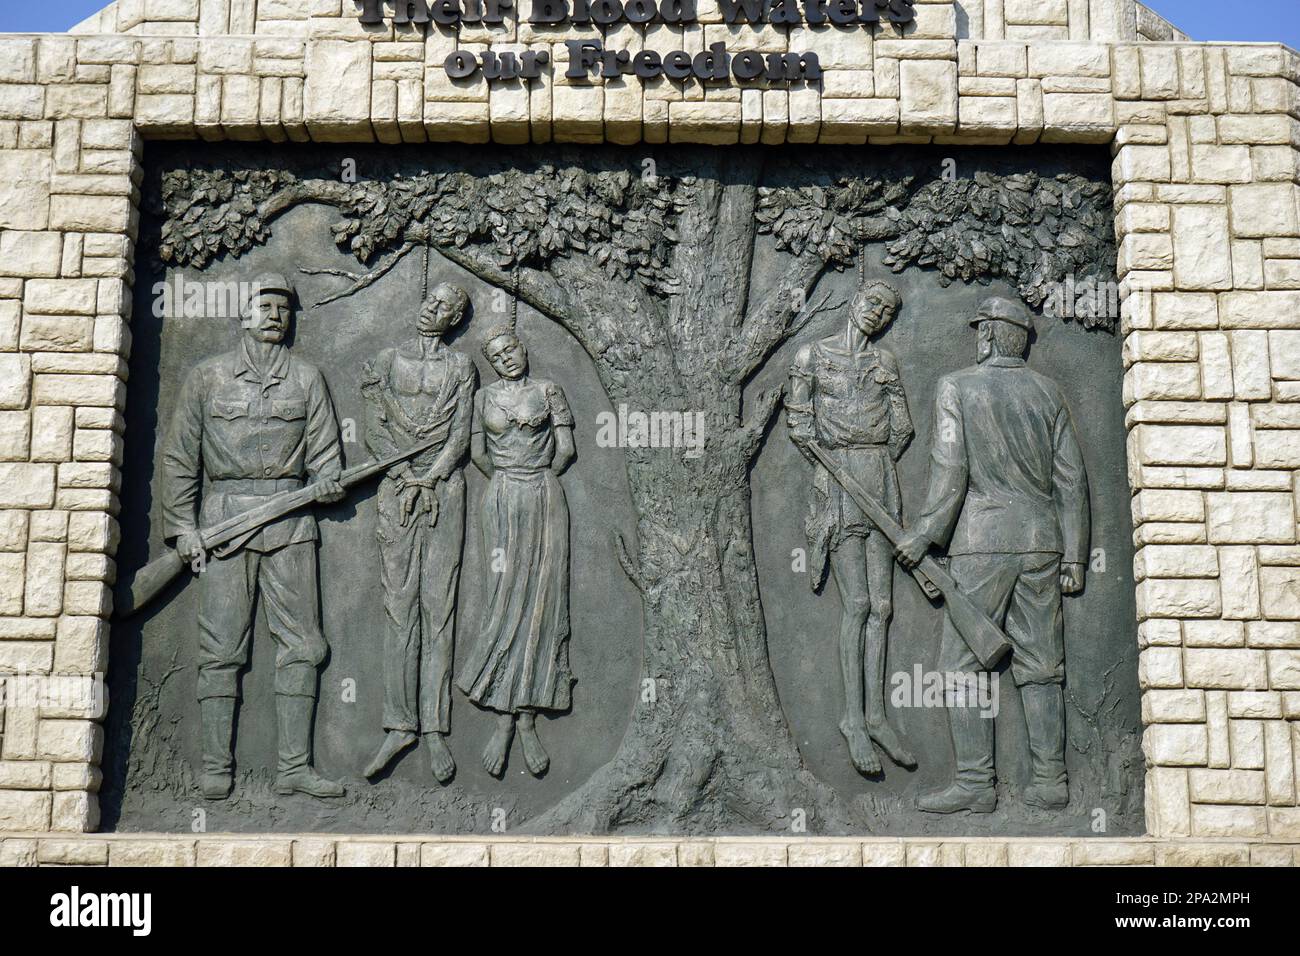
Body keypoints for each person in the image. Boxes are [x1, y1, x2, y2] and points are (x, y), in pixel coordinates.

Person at [896, 295, 1090, 813]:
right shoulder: (1048, 392)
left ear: (986, 336)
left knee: (962, 666)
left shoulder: (957, 386)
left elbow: (950, 471)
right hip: (1040, 542)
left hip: (981, 544)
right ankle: (1051, 781)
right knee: (1043, 662)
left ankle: (976, 784)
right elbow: (1071, 480)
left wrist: (924, 535)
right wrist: (1074, 556)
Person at [163, 273, 346, 800]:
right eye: (264, 305)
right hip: (224, 527)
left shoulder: (308, 379)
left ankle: (294, 768)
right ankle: (217, 766)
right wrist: (183, 529)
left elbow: (327, 459)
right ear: (242, 313)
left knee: (304, 646)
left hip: (290, 527)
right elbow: (180, 460)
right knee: (220, 649)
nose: (274, 315)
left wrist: (328, 482)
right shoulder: (207, 377)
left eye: (284, 308)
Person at [786, 279, 917, 776]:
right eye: (872, 303)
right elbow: (798, 422)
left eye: (886, 311)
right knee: (857, 604)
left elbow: (902, 427)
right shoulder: (811, 356)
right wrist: (839, 457)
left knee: (883, 607)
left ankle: (879, 716)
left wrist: (872, 451)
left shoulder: (886, 365)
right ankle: (852, 720)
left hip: (879, 477)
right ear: (855, 301)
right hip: (836, 481)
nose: (876, 314)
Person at [360, 283, 477, 783]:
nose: (433, 309)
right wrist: (407, 477)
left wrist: (430, 477)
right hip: (396, 489)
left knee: (439, 607)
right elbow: (374, 427)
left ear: (453, 320)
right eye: (430, 300)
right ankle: (398, 724)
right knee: (399, 607)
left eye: (445, 307)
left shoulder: (461, 368)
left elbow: (462, 433)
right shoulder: (385, 361)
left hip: (445, 490)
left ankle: (433, 727)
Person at [456, 326, 576, 778]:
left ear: (524, 348)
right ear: (490, 360)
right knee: (502, 599)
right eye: (496, 353)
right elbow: (478, 453)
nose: (506, 357)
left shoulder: (549, 391)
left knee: (543, 604)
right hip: (503, 497)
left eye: (511, 348)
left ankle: (527, 718)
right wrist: (510, 479)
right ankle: (501, 718)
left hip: (544, 496)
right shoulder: (483, 399)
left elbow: (565, 449)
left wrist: (535, 476)